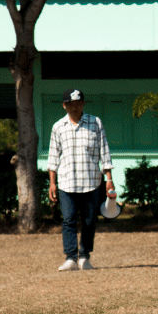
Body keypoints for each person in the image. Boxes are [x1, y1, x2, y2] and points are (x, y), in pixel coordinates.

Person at [47, 88, 114, 272]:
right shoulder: (58, 127)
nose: (74, 108)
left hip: (91, 182)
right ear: (64, 106)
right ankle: (71, 258)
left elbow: (104, 151)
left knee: (89, 221)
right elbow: (53, 157)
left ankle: (84, 257)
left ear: (83, 104)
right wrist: (52, 183)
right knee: (68, 220)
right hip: (66, 183)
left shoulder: (95, 123)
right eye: (70, 104)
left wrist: (109, 178)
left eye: (77, 104)